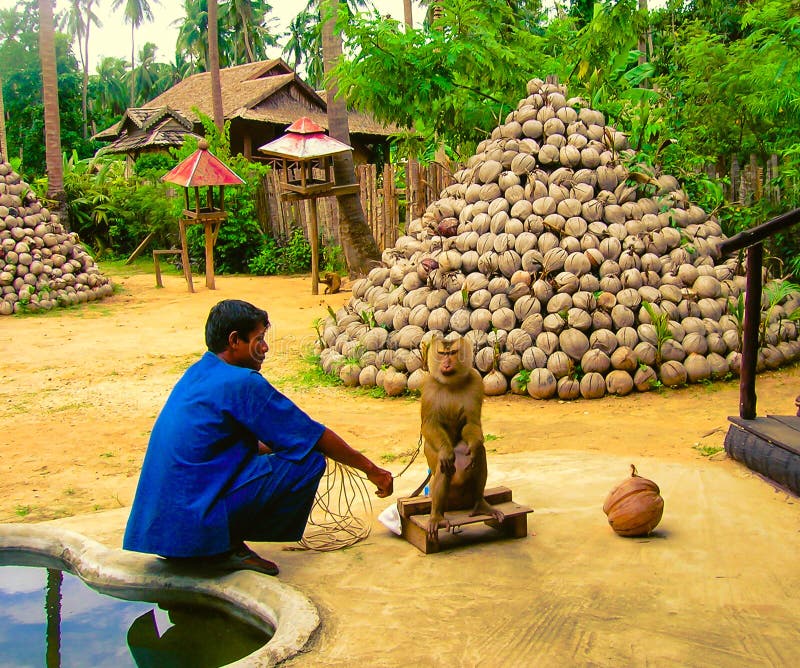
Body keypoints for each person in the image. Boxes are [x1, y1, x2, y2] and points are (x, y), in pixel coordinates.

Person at [123, 299, 393, 576]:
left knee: (290, 449)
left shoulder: (198, 373)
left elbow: (225, 445)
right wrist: (372, 470)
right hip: (195, 522)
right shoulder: (243, 382)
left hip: (160, 530)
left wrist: (282, 442)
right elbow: (313, 436)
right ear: (234, 341)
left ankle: (212, 542)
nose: (265, 347)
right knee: (309, 460)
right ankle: (223, 547)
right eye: (259, 339)